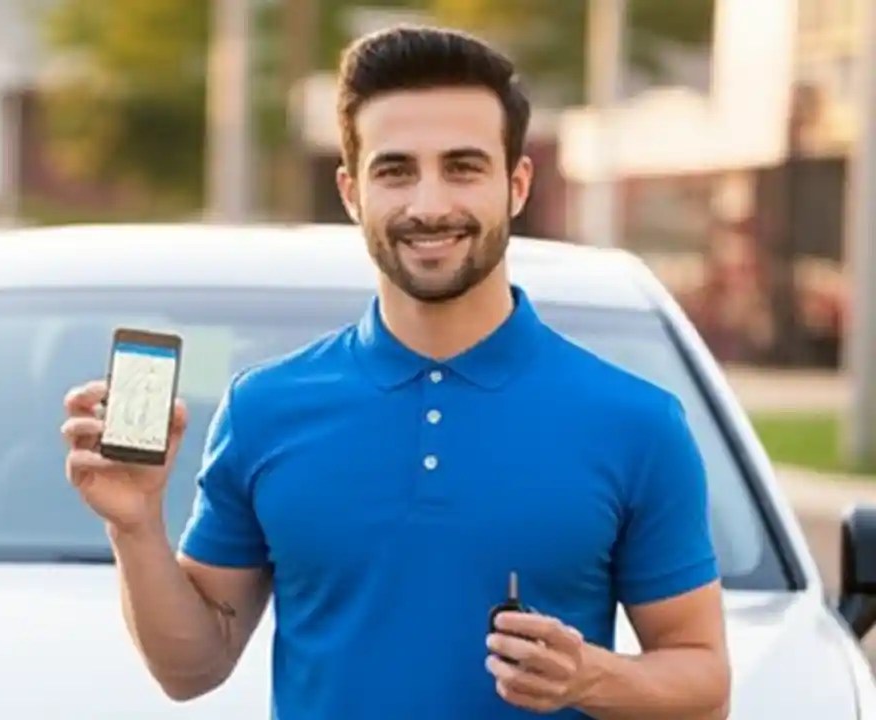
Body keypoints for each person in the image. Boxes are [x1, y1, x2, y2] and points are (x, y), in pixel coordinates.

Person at [60, 24, 731, 720]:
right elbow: (191, 669)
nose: (429, 204)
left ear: (518, 184)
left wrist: (590, 677)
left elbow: (705, 685)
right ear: (351, 191)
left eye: (464, 167)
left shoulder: (635, 424)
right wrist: (135, 526)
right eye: (396, 170)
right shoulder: (264, 409)